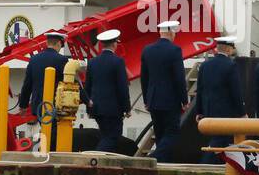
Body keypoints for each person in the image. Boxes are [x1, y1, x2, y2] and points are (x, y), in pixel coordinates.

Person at [140, 20, 188, 162]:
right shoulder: (175, 50)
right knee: (172, 133)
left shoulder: (147, 50)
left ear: (160, 32)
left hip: (153, 99)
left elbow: (144, 77)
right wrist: (184, 101)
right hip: (170, 100)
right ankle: (154, 157)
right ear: (172, 33)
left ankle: (162, 162)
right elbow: (179, 78)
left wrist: (146, 100)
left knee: (160, 132)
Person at [194, 35, 245, 163]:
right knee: (222, 141)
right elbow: (236, 92)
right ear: (228, 49)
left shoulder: (205, 65)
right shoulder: (230, 66)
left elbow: (199, 90)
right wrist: (242, 113)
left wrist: (199, 111)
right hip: (225, 113)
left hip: (209, 111)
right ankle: (205, 164)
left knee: (220, 141)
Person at [17, 30, 69, 149]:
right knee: (55, 133)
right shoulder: (62, 60)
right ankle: (47, 153)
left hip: (39, 106)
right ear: (59, 44)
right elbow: (69, 83)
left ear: (47, 43)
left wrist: (23, 105)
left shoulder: (34, 59)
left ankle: (44, 152)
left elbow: (27, 84)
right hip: (55, 105)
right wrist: (87, 100)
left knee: (46, 130)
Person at [86, 29, 130, 153]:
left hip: (97, 108)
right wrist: (127, 108)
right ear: (115, 44)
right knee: (113, 136)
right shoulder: (118, 62)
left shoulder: (92, 62)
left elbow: (88, 87)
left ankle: (101, 164)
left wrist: (89, 109)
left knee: (105, 135)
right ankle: (94, 158)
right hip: (113, 110)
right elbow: (122, 88)